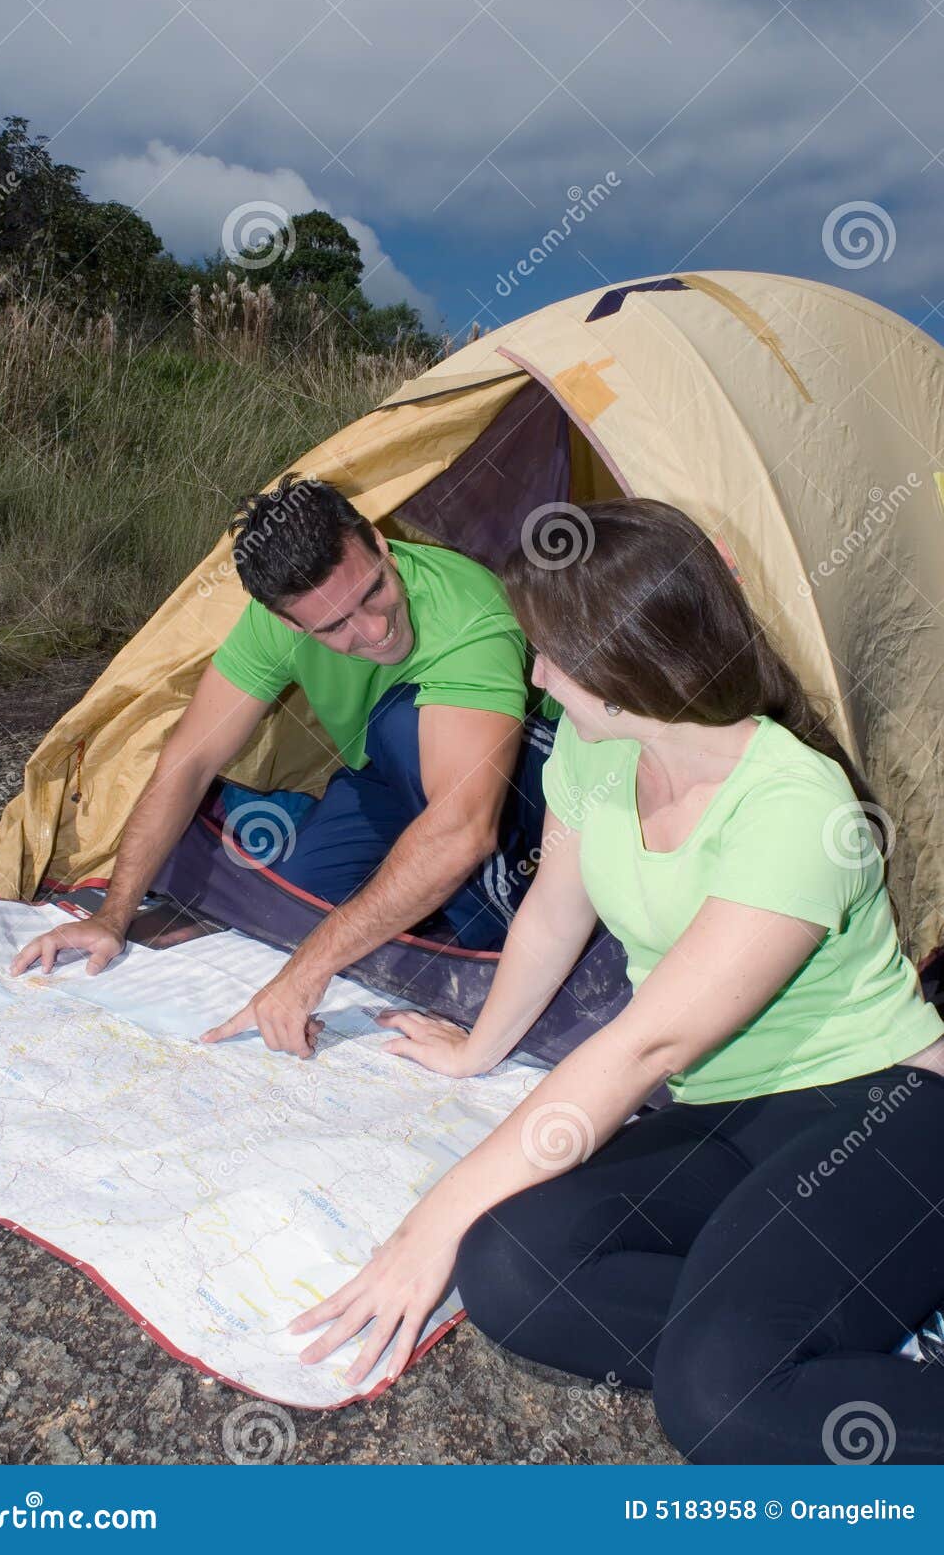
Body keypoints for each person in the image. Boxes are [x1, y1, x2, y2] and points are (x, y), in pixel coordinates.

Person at [291, 498, 944, 1465]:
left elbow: (647, 1044)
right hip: (724, 1111)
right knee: (510, 1271)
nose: (536, 675)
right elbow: (554, 914)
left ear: (623, 661)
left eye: (551, 655)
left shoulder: (794, 805)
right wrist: (475, 1051)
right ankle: (810, 1334)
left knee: (718, 1403)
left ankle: (766, 1355)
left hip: (875, 1108)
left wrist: (431, 1217)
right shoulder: (596, 753)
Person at [10, 476, 559, 1056]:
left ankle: (499, 928)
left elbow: (461, 830)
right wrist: (113, 917)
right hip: (387, 773)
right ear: (292, 623)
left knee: (401, 727)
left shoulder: (468, 612)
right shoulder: (276, 623)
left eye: (374, 590)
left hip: (523, 782)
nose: (374, 630)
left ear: (378, 543)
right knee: (298, 902)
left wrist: (304, 977)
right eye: (334, 626)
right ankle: (422, 908)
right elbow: (190, 761)